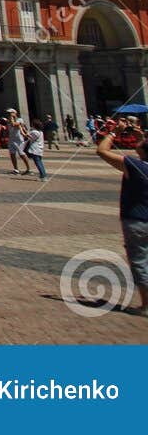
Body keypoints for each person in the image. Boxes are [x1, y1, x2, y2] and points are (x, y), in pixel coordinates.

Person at [95, 128, 148, 314]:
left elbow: (101, 151)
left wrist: (113, 132)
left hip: (137, 221)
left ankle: (146, 305)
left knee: (140, 261)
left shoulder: (136, 166)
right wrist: (141, 137)